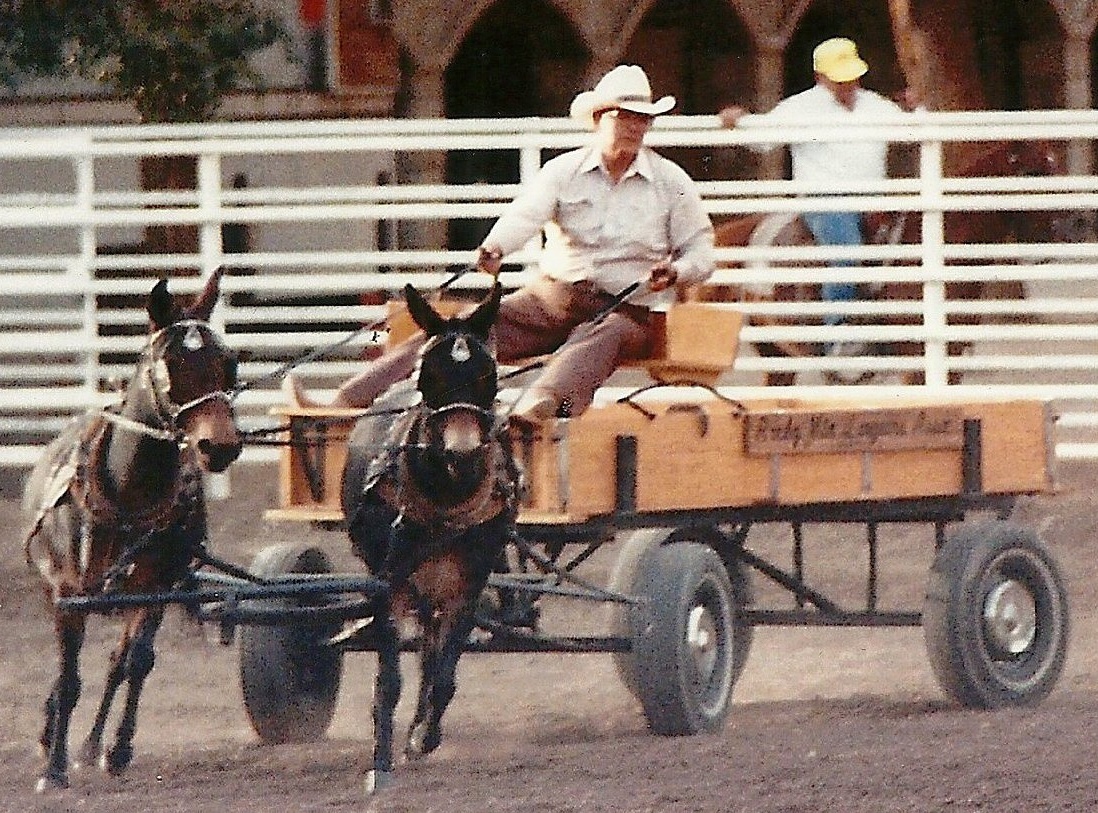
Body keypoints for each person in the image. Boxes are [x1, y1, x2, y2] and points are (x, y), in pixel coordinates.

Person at [283, 64, 714, 423]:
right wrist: (496, 248)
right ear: (600, 119)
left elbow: (701, 251)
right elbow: (526, 213)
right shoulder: (563, 171)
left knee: (603, 335)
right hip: (551, 301)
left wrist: (677, 272)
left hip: (626, 310)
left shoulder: (671, 182)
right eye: (625, 116)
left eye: (642, 118)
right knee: (456, 330)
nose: (635, 127)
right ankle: (346, 400)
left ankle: (542, 407)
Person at [718, 37, 920, 354]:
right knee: (847, 251)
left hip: (875, 202)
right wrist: (740, 122)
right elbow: (762, 139)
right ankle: (838, 333)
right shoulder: (800, 109)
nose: (848, 84)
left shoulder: (875, 106)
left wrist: (917, 109)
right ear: (820, 77)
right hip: (825, 201)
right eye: (840, 78)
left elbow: (911, 131)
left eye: (852, 76)